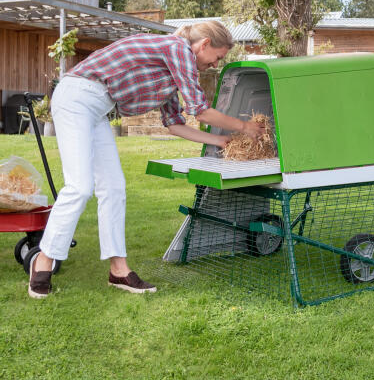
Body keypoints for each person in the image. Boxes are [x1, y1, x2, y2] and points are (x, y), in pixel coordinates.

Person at [28, 21, 265, 299]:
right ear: (204, 45)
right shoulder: (177, 49)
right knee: (79, 187)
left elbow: (175, 124)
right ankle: (43, 261)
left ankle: (119, 270)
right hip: (78, 95)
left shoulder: (172, 70)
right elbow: (200, 111)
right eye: (218, 57)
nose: (215, 64)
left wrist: (220, 141)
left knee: (114, 188)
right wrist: (244, 127)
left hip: (99, 108)